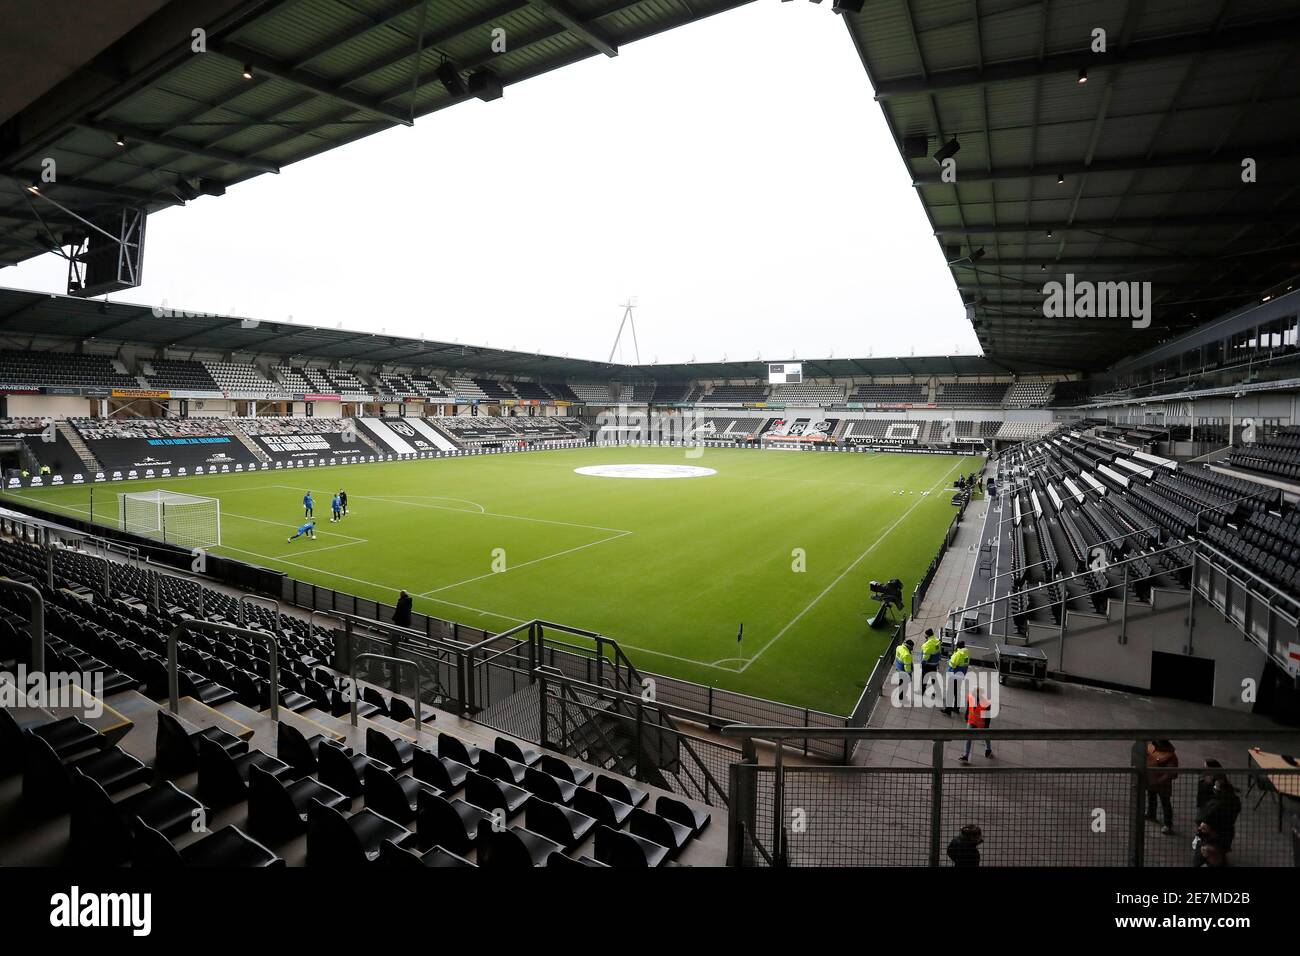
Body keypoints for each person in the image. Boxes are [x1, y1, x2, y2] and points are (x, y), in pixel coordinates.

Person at [1194, 775, 1241, 867]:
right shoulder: (1234, 802)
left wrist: (1207, 829)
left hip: (1212, 836)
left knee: (1203, 859)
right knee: (1219, 856)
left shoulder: (1216, 805)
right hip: (1225, 834)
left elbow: (1200, 819)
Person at [1145, 739, 1179, 835]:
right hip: (1151, 780)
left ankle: (1168, 824)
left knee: (1165, 802)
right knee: (1151, 797)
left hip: (1163, 785)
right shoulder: (1151, 747)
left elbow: (1170, 773)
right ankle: (1151, 814)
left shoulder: (1170, 756)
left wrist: (1159, 781)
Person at [959, 689, 993, 761]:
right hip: (972, 721)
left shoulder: (986, 703)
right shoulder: (971, 697)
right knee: (968, 737)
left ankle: (988, 749)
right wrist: (966, 715)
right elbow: (968, 708)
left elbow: (988, 717)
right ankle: (966, 755)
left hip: (981, 723)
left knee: (986, 736)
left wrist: (986, 727)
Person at [942, 640, 971, 715]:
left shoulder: (958, 654)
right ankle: (956, 708)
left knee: (950, 692)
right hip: (961, 675)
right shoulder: (966, 653)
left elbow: (952, 665)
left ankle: (948, 710)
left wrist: (950, 660)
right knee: (957, 691)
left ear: (957, 646)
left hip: (954, 675)